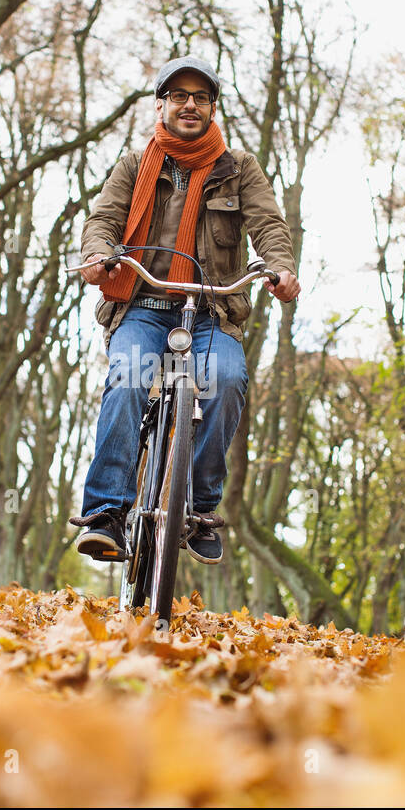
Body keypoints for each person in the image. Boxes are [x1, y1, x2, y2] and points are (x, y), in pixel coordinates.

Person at [69, 55, 301, 565]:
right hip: (143, 306)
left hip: (211, 313)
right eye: (179, 96)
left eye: (200, 96)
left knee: (224, 379)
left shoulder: (238, 169)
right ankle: (107, 512)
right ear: (162, 104)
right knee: (129, 378)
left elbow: (268, 224)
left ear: (212, 107)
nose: (189, 104)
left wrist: (280, 268)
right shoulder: (136, 165)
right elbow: (104, 218)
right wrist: (97, 255)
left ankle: (196, 509)